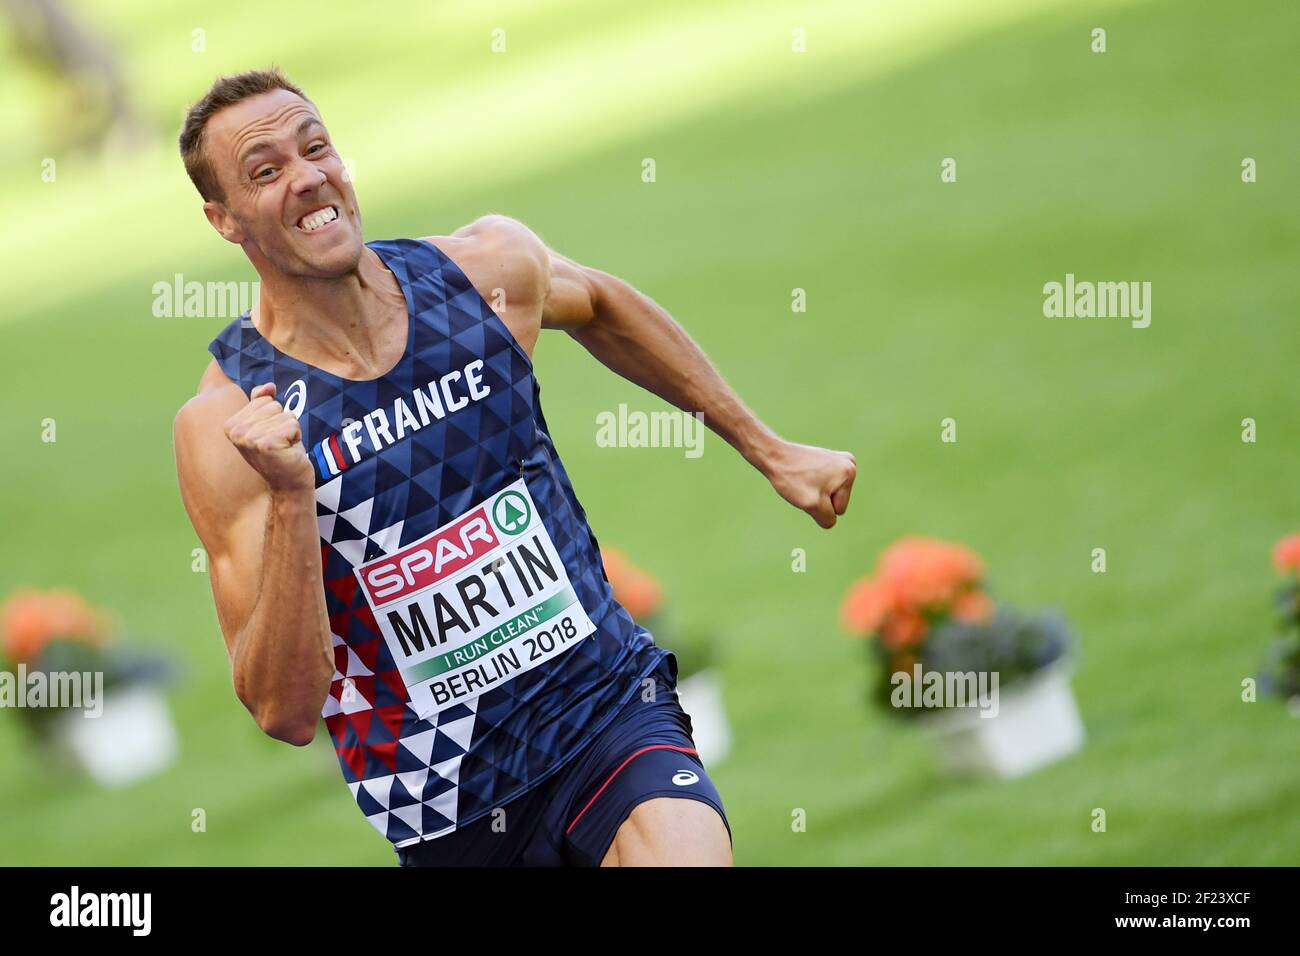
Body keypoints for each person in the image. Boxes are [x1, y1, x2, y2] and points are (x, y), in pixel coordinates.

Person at [172, 68, 856, 866]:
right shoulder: (225, 428)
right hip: (442, 800)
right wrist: (293, 497)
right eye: (267, 170)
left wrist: (769, 449)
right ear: (224, 220)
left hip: (606, 708)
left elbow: (600, 303)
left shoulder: (481, 275)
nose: (308, 177)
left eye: (316, 147)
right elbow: (282, 710)